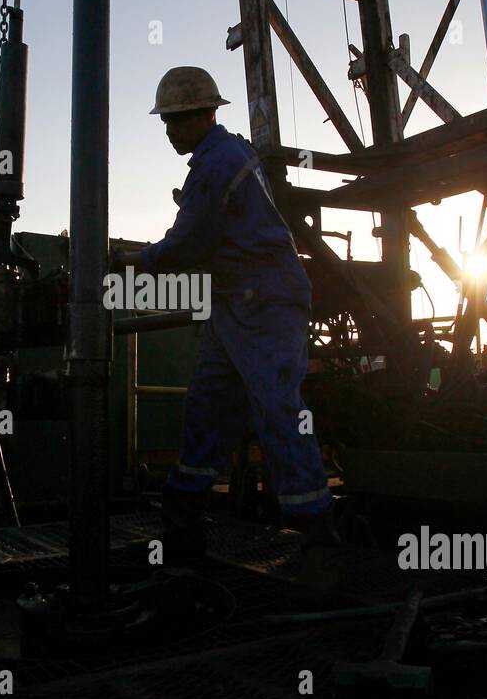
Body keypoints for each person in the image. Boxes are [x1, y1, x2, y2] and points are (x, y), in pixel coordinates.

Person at [114, 66, 339, 569]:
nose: (168, 130)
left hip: (266, 302)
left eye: (174, 121)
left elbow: (189, 243)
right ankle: (184, 522)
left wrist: (131, 262)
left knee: (278, 408)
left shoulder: (217, 163)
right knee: (208, 405)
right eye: (166, 121)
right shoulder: (222, 155)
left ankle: (319, 535)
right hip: (236, 303)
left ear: (202, 115)